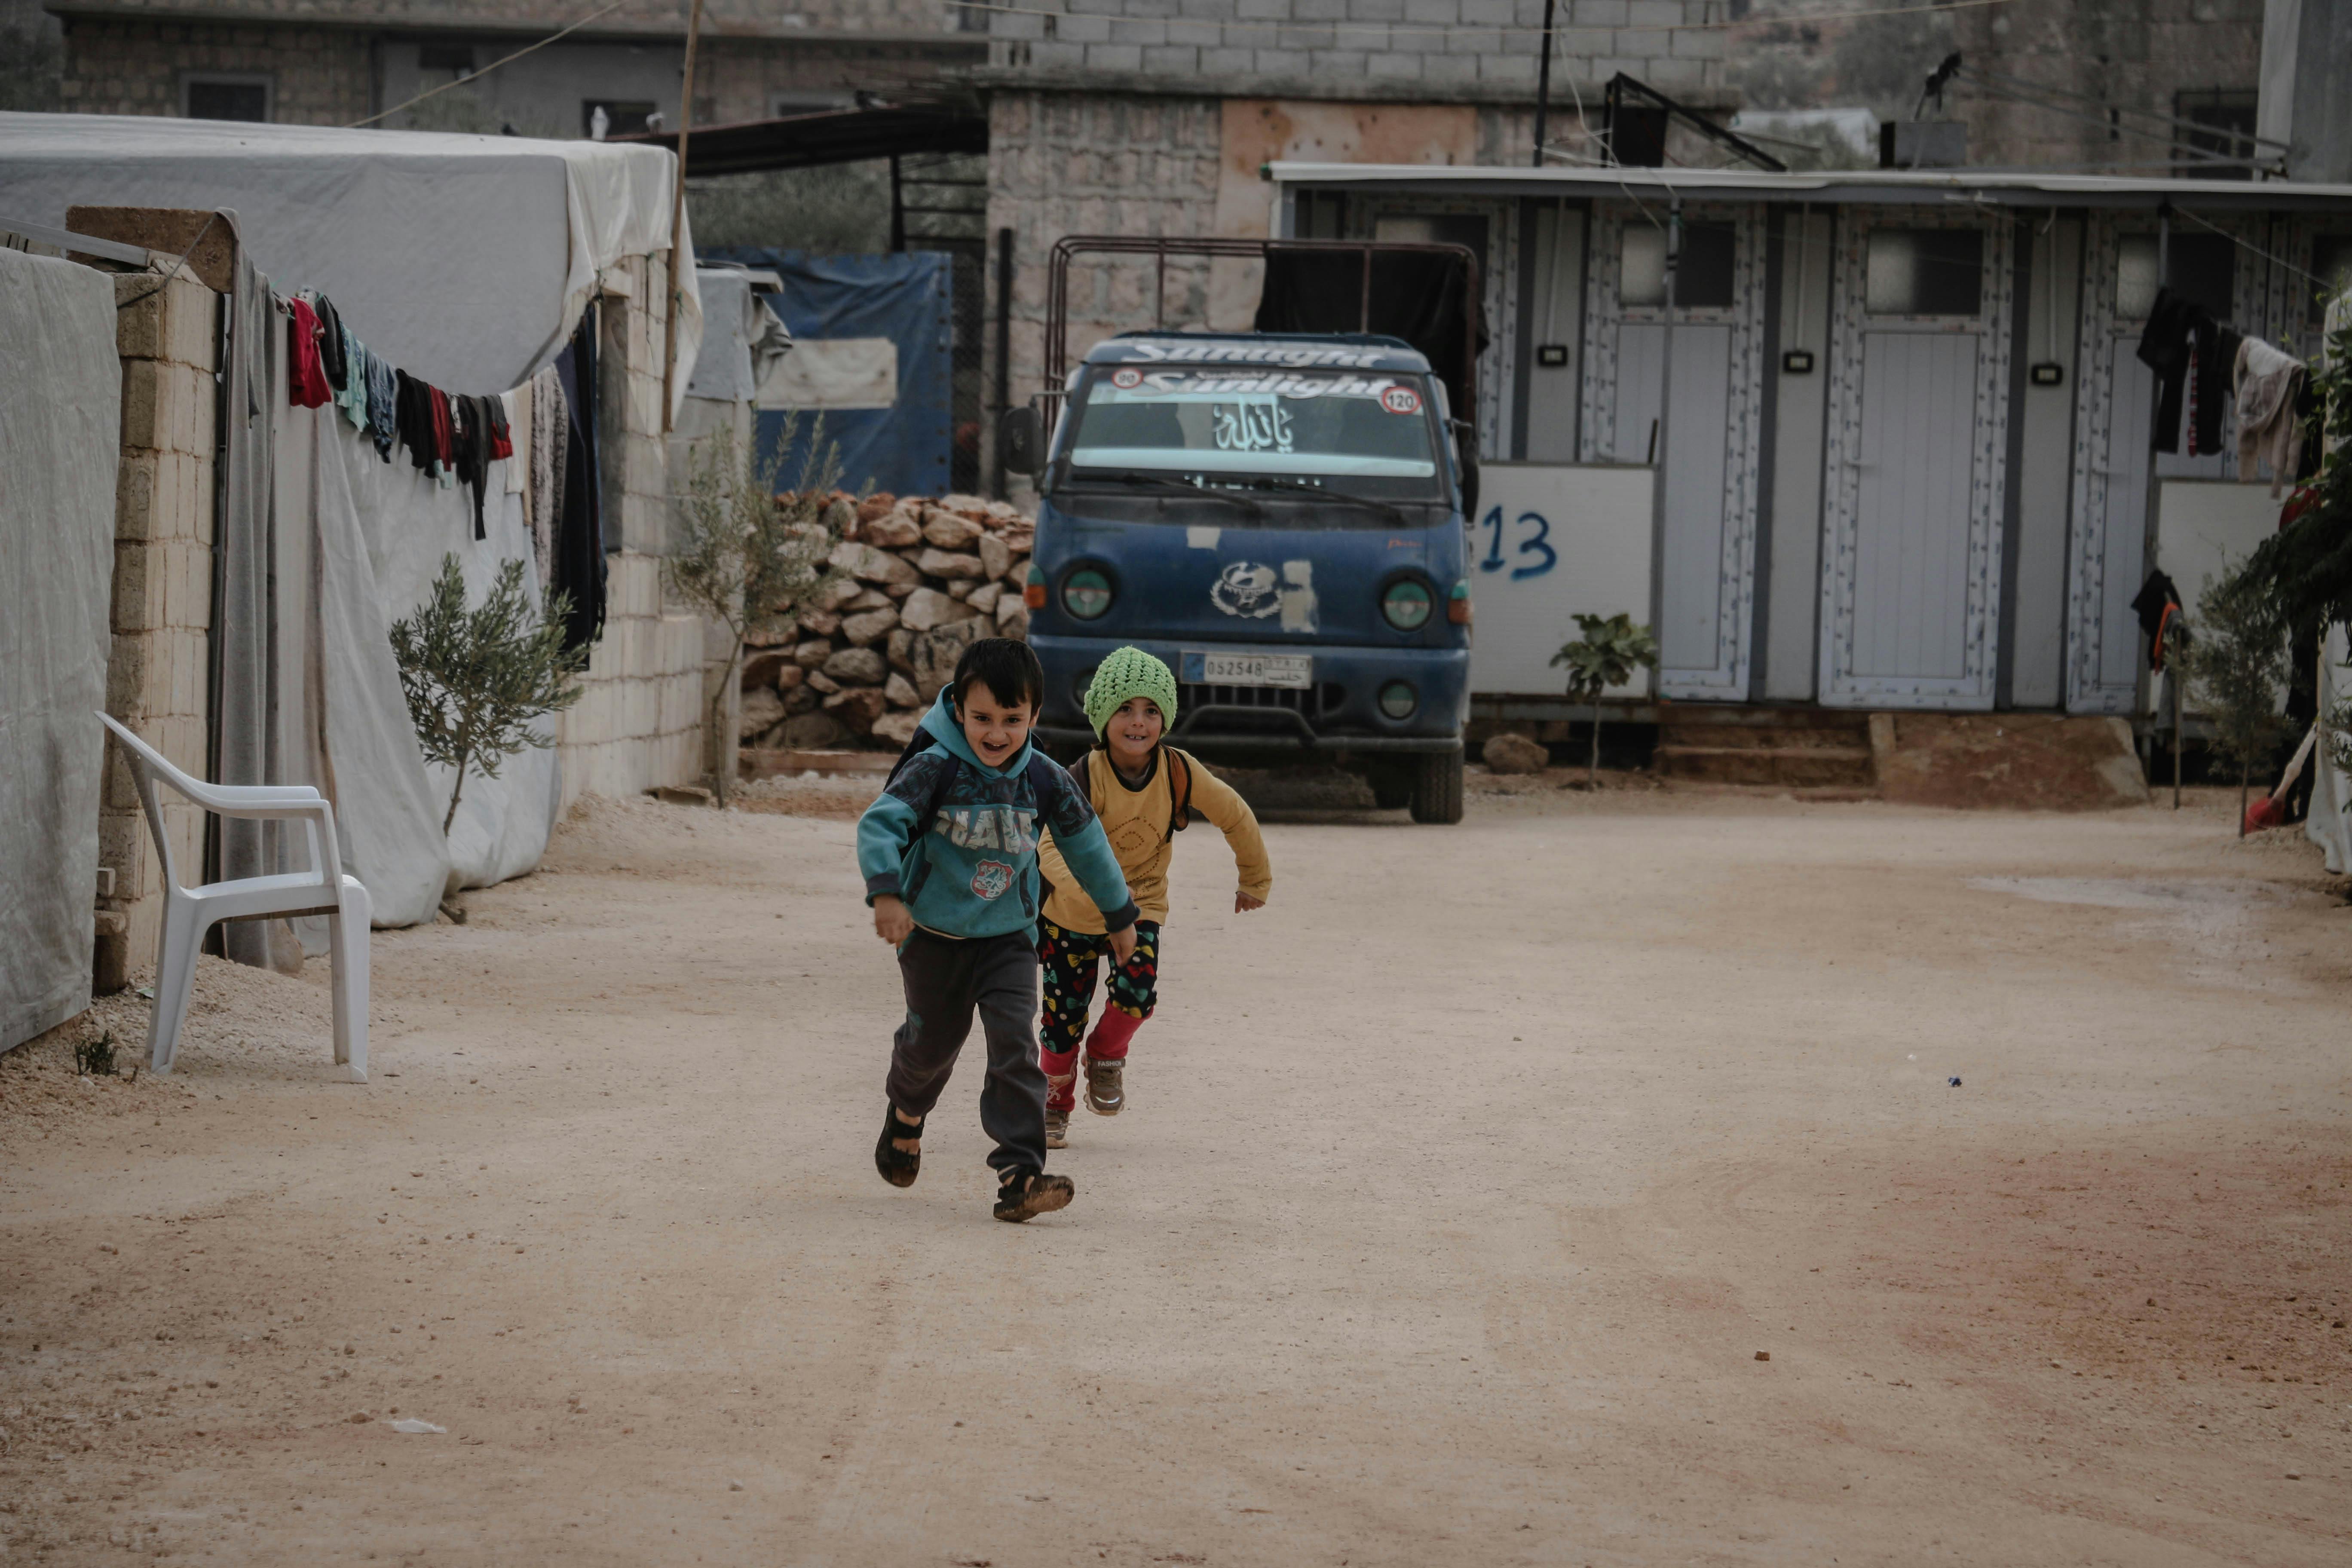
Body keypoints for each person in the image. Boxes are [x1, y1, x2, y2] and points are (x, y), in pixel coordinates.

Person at [855, 637, 1139, 1223]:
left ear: (1034, 715)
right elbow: (881, 824)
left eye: (1012, 719)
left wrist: (1119, 914)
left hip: (1009, 937)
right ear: (958, 709)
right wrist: (886, 893)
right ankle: (906, 1113)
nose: (996, 733)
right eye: (982, 718)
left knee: (1015, 1046)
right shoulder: (936, 766)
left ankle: (1021, 1175)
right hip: (933, 936)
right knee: (932, 1048)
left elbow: (1087, 844)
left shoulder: (1044, 777)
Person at [1036, 647, 1271, 1148]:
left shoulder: (1178, 771)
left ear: (1166, 719)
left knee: (1137, 996)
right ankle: (1054, 1101)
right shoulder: (1083, 776)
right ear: (1103, 717)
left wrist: (1254, 879)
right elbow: (1049, 846)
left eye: (1150, 710)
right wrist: (1098, 896)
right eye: (1124, 709)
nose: (1138, 722)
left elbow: (1234, 813)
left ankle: (1106, 1056)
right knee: (1061, 1021)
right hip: (1074, 915)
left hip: (1142, 906)